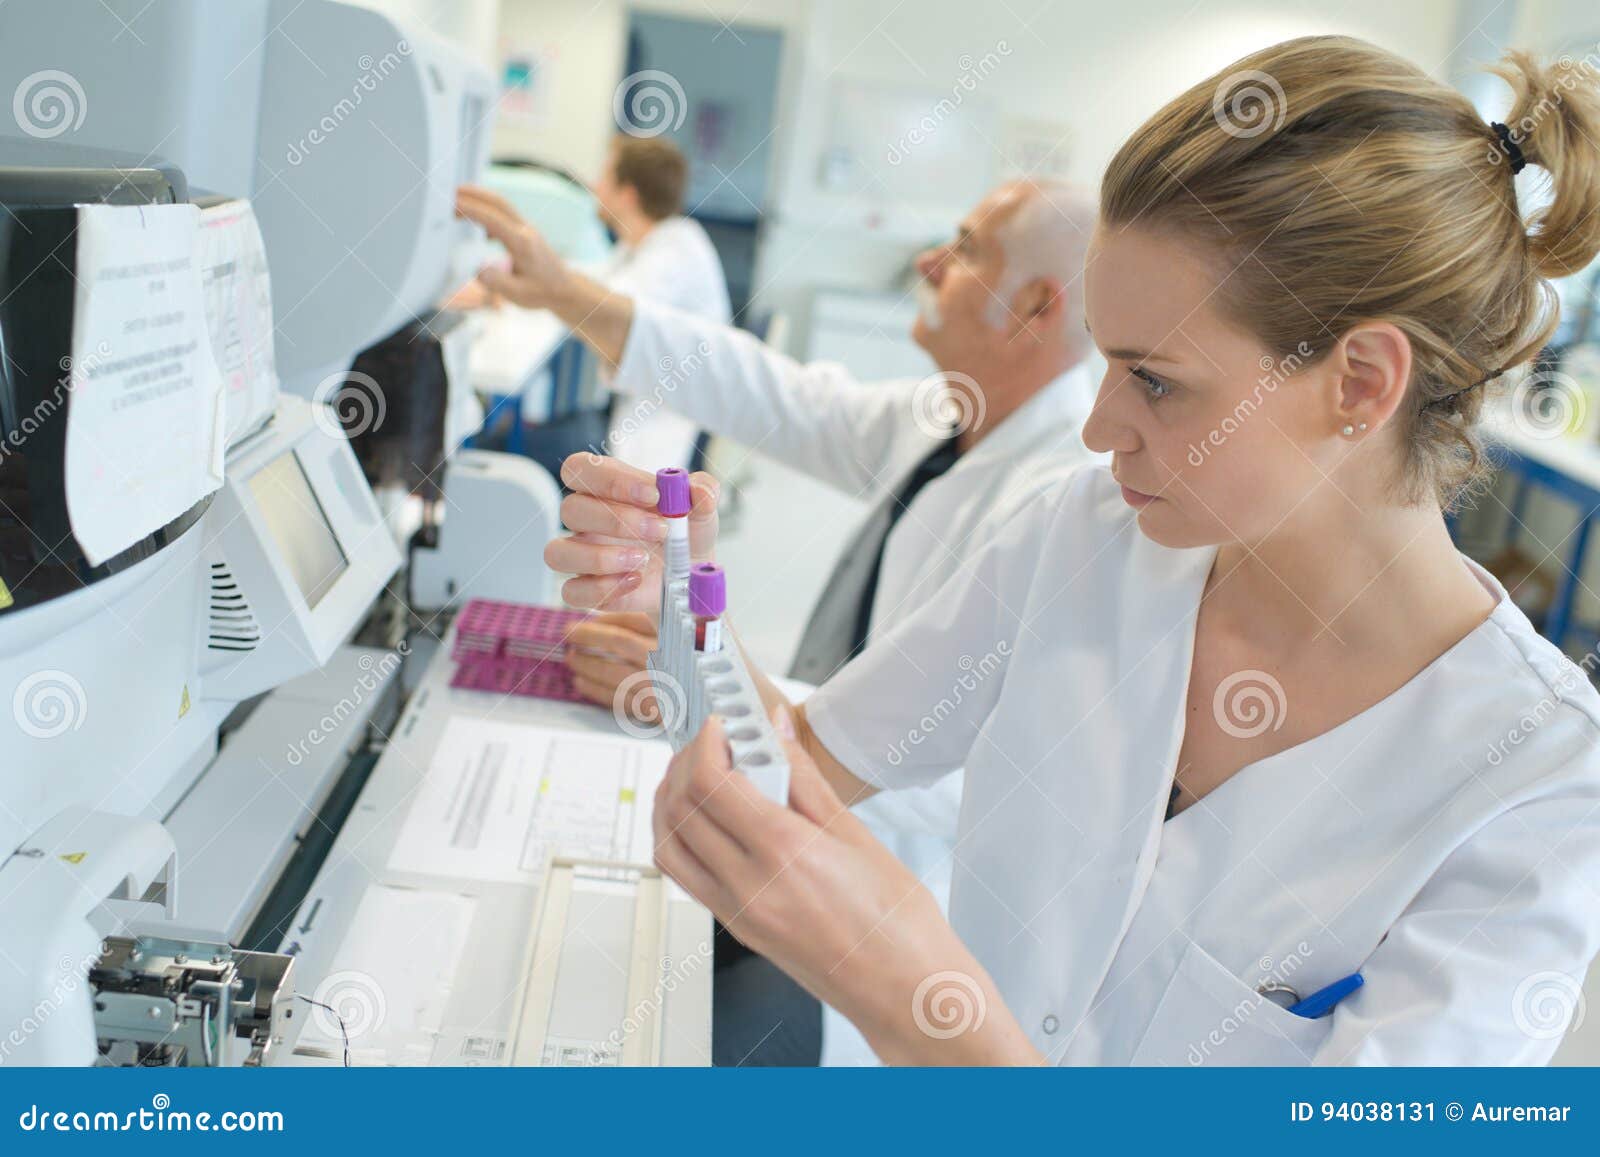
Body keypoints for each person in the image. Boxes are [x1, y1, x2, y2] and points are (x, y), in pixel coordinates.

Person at [537, 36, 1600, 1065]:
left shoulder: (1538, 783)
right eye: (1104, 365)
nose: (1096, 428)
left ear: (1360, 383)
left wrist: (919, 1008)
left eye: (1156, 381)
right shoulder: (1085, 538)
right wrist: (693, 601)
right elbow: (799, 771)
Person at [457, 177, 1102, 1064]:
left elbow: (982, 771)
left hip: (890, 924)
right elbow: (775, 394)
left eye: (964, 247)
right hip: (798, 827)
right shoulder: (953, 419)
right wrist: (565, 290)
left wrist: (716, 676)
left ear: (1032, 306)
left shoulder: (1067, 494)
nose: (927, 261)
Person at [590, 134, 731, 471]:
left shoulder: (676, 252)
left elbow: (605, 306)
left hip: (668, 422)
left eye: (604, 178)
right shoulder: (644, 244)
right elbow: (594, 280)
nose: (595, 186)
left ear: (627, 195)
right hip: (649, 402)